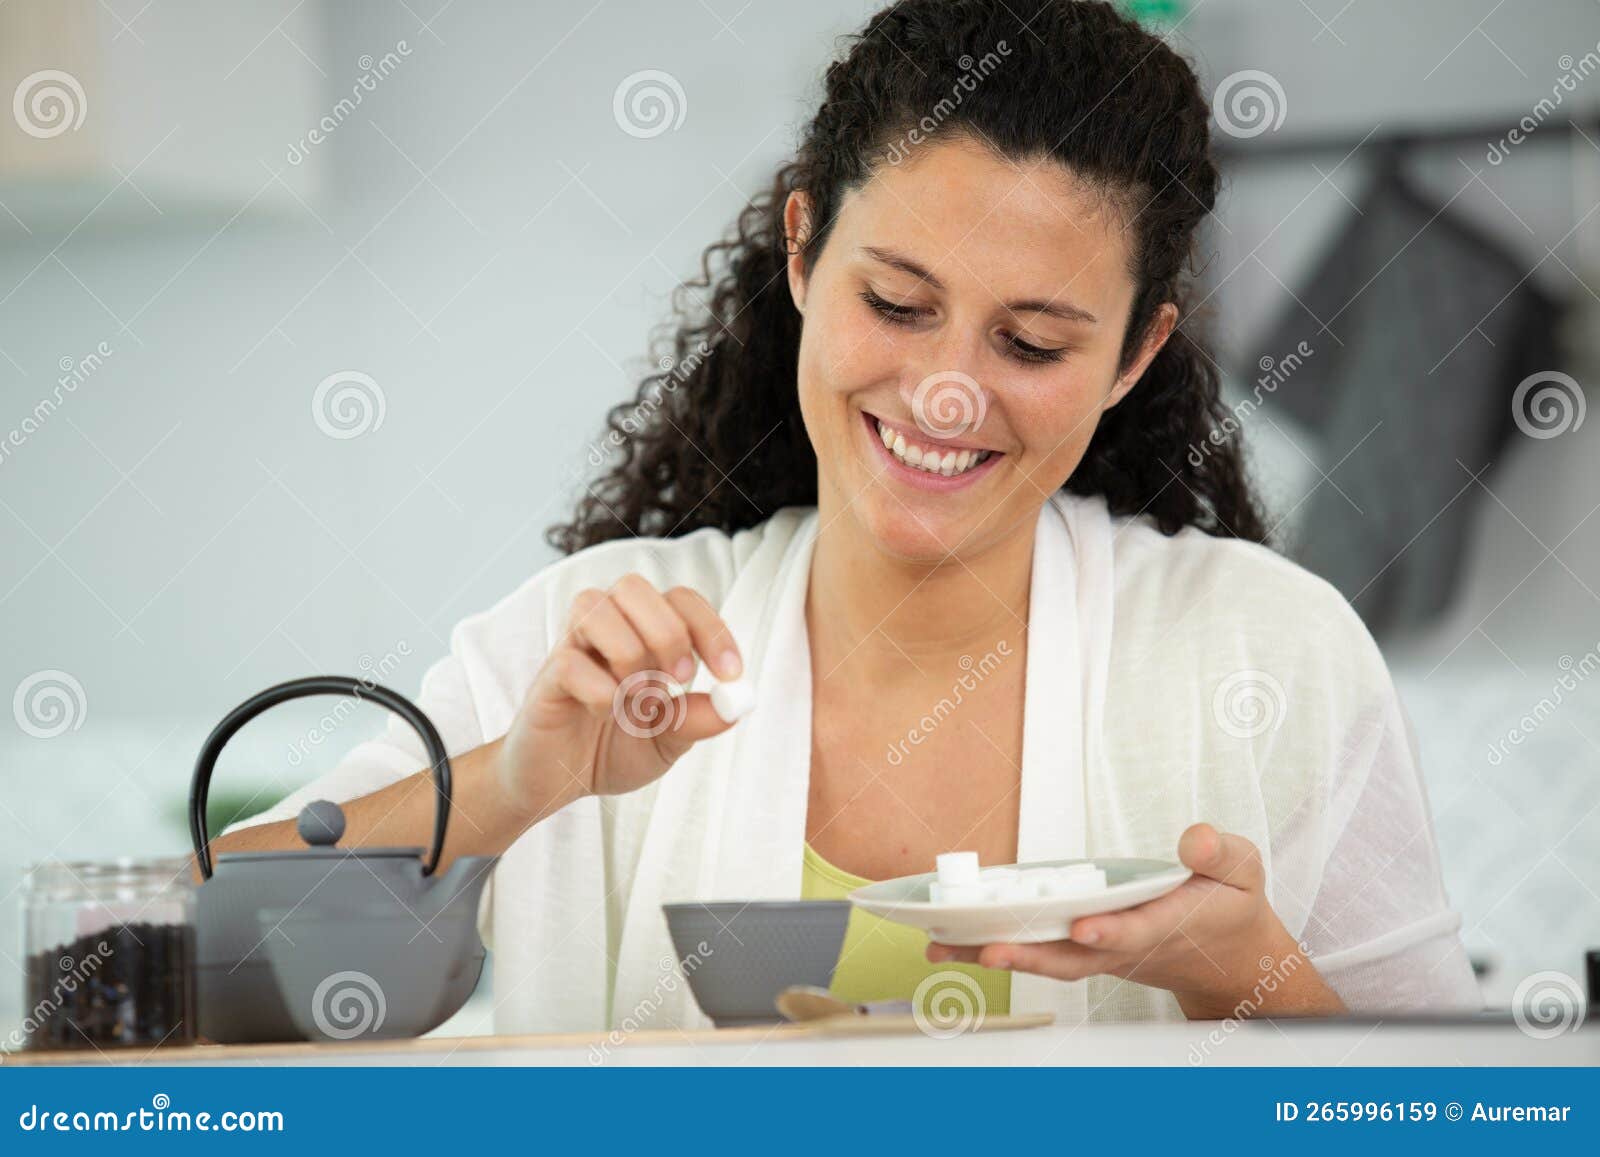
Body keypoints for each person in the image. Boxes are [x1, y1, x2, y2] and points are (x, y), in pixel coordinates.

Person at [217, 0, 1481, 1033]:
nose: (945, 388)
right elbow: (229, 976)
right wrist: (514, 784)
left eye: (1032, 341)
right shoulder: (590, 642)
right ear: (805, 252)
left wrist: (1240, 970)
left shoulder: (1268, 651)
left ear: (1138, 354)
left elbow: (1448, 1122)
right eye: (897, 302)